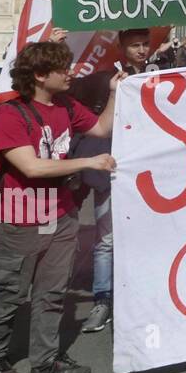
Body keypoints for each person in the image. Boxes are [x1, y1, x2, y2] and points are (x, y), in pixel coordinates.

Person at [0, 41, 123, 373]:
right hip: (18, 221)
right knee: (9, 292)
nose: (70, 73)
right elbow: (32, 167)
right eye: (63, 68)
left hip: (61, 216)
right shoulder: (8, 116)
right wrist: (89, 161)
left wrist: (114, 92)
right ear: (40, 75)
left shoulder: (66, 106)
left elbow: (101, 129)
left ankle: (46, 362)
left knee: (52, 293)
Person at [67, 28, 151, 335]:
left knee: (148, 235)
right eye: (135, 46)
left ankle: (143, 295)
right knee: (106, 239)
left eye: (145, 45)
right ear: (121, 48)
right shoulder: (105, 79)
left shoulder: (160, 72)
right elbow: (70, 95)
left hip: (148, 168)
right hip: (112, 169)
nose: (141, 50)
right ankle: (102, 300)